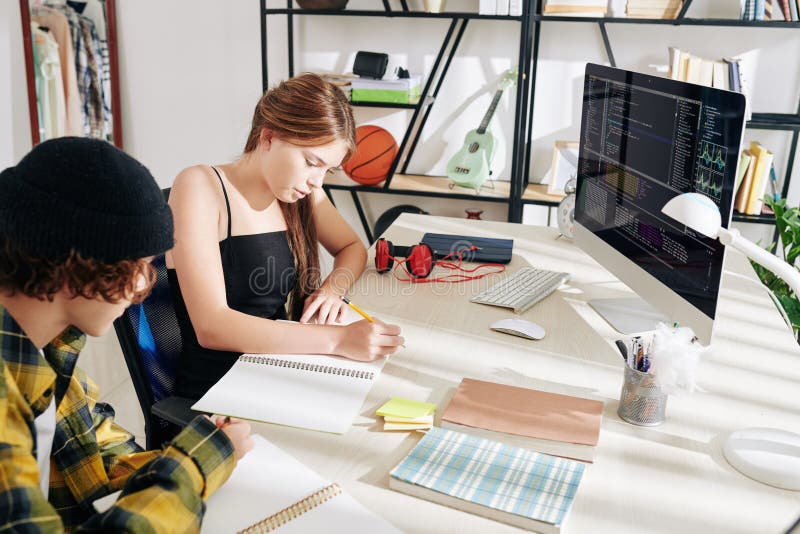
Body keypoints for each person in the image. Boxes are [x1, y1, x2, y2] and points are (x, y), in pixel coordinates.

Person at [0, 137, 254, 531]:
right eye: (135, 264)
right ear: (74, 263)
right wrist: (195, 465)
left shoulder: (48, 343)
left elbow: (92, 448)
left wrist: (199, 456)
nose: (142, 287)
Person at [167, 73, 404, 399]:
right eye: (311, 163)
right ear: (268, 138)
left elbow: (352, 248)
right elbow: (212, 326)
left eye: (326, 171)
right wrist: (338, 340)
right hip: (220, 392)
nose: (316, 181)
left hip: (280, 369)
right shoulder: (200, 187)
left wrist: (333, 290)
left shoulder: (301, 195)